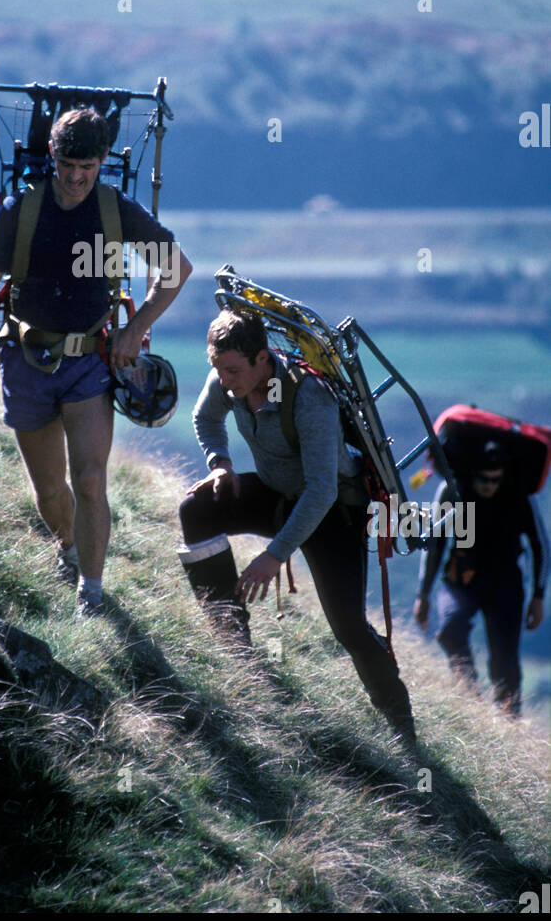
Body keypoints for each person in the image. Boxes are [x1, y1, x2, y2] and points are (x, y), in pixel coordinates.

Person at [0, 107, 192, 615]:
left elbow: (177, 268)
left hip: (89, 363)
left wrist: (135, 328)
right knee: (49, 490)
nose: (77, 176)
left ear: (103, 160)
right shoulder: (21, 209)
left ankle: (92, 591)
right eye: (68, 164)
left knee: (90, 479)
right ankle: (66, 546)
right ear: (52, 157)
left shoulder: (115, 210)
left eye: (87, 165)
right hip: (26, 360)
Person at [178, 307, 416, 745]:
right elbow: (205, 418)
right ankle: (231, 640)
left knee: (347, 628)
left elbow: (322, 490)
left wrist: (274, 555)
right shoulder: (229, 379)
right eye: (217, 367)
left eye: (232, 369)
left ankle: (400, 726)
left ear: (262, 359)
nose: (223, 378)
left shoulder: (309, 399)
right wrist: (220, 463)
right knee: (197, 509)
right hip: (277, 497)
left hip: (333, 516)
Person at [413, 441, 548, 716]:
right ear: (473, 474)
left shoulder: (519, 497)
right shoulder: (453, 492)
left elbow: (541, 546)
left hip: (505, 584)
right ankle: (469, 698)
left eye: (495, 479)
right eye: (483, 479)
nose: (489, 485)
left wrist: (538, 596)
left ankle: (509, 721)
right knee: (450, 631)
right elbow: (436, 544)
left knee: (504, 661)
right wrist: (423, 593)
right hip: (461, 579)